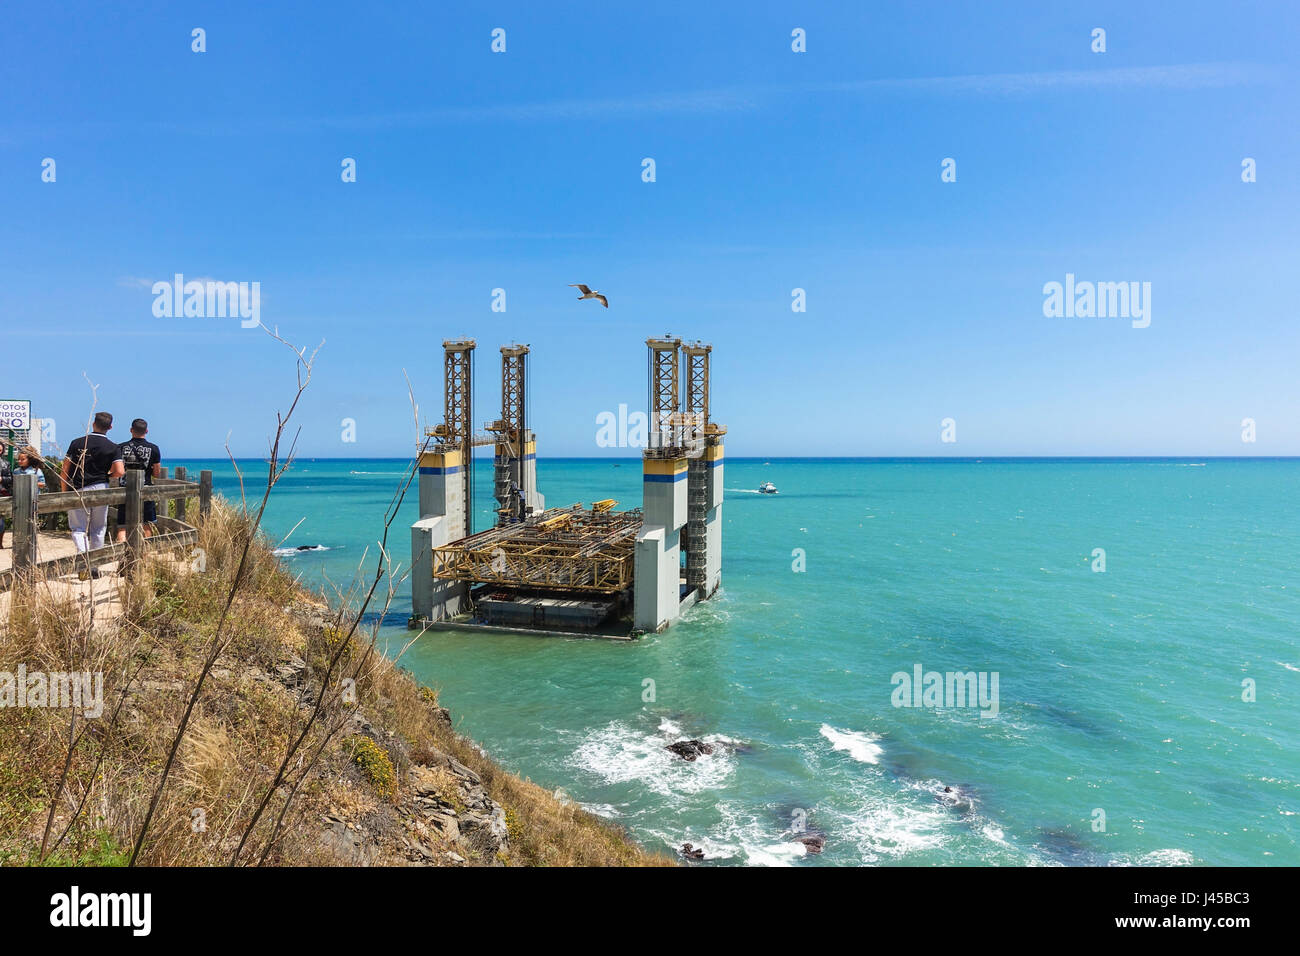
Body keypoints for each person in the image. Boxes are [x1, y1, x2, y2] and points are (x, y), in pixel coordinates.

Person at [62, 412, 125, 564]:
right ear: (110, 427)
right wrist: (107, 476)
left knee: (78, 528)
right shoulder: (113, 447)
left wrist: (64, 491)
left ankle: (84, 561)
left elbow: (65, 469)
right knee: (98, 528)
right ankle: (95, 564)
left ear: (93, 424)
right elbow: (120, 471)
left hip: (79, 488)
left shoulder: (77, 443)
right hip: (101, 487)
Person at [115, 419, 162, 543]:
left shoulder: (120, 447)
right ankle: (145, 555)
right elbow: (157, 474)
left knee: (122, 526)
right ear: (146, 431)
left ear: (131, 430)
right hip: (145, 489)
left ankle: (123, 556)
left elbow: (116, 469)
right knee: (147, 524)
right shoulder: (154, 448)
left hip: (125, 490)